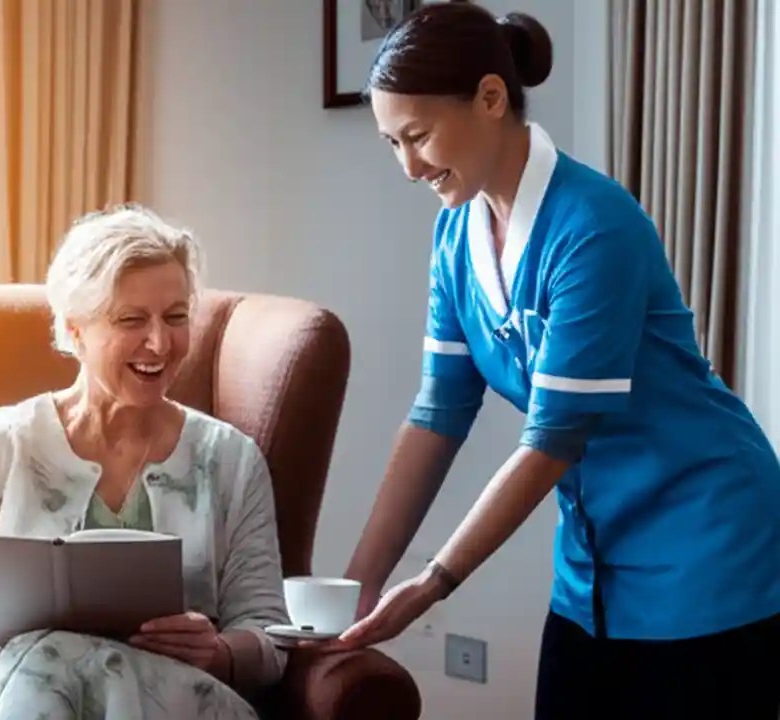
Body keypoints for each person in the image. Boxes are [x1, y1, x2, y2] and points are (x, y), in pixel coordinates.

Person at [327, 3, 780, 719]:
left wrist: (433, 582)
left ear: (490, 97)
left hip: (706, 545)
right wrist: (356, 585)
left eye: (417, 136)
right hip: (591, 564)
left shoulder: (594, 226)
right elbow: (438, 415)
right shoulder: (456, 240)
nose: (407, 167)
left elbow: (553, 439)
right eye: (391, 143)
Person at [0, 204, 290, 720]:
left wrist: (218, 652)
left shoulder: (230, 459)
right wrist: (29, 651)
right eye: (131, 320)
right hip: (6, 697)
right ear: (74, 330)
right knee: (50, 669)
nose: (160, 343)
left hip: (169, 703)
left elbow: (271, 638)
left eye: (175, 317)